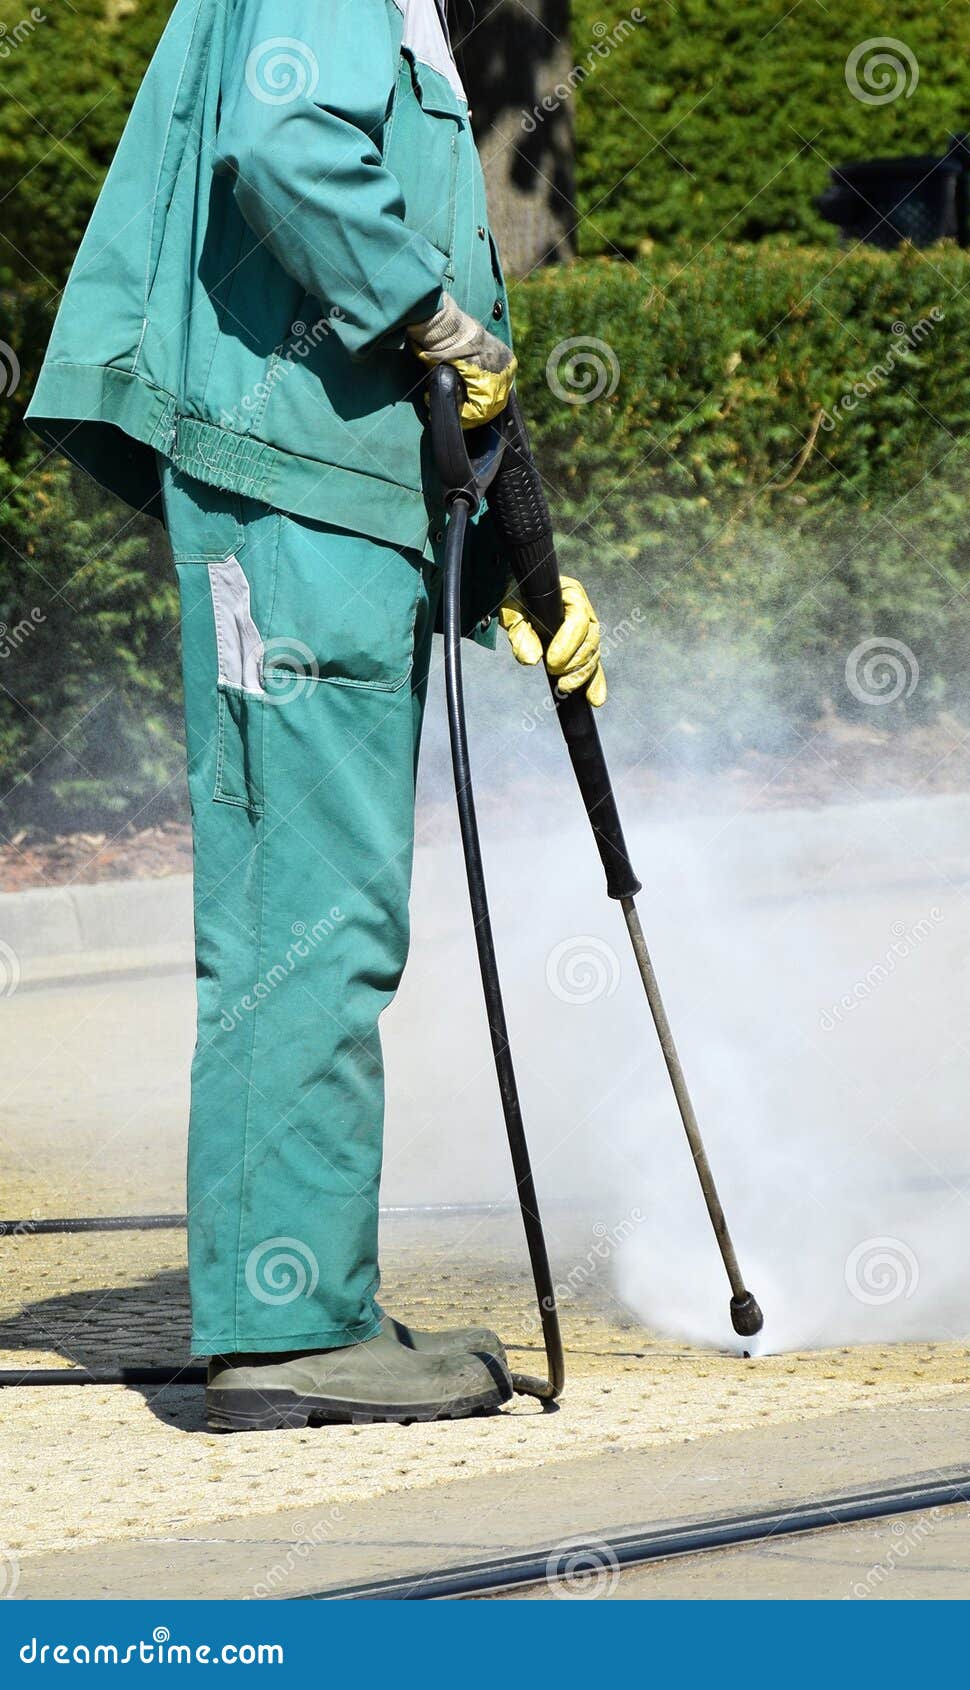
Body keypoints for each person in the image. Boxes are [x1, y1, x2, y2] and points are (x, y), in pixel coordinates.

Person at [26, 0, 606, 1431]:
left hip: (326, 508)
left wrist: (510, 593)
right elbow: (281, 146)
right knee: (307, 915)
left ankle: (310, 1297)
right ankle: (283, 1328)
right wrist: (431, 311)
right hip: (285, 512)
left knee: (331, 908)